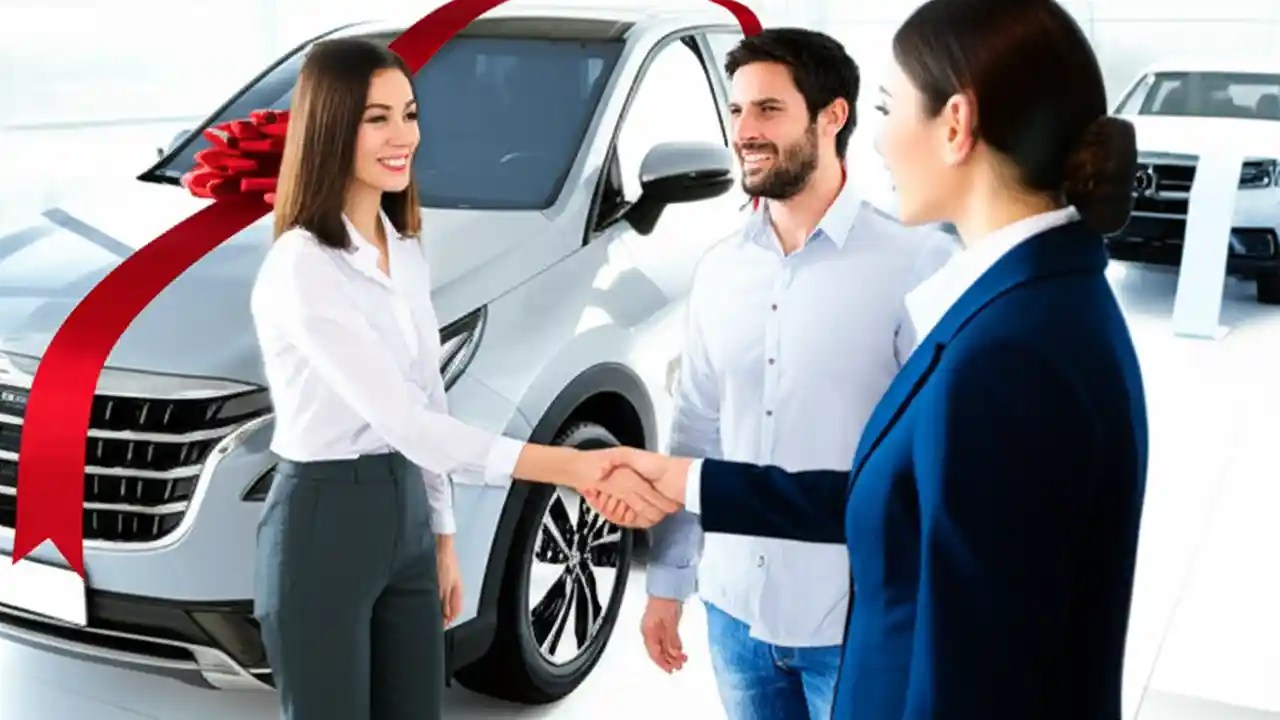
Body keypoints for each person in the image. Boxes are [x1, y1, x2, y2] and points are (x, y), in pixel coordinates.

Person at [587, 1, 1149, 717]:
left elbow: (982, 665)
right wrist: (682, 488)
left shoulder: (1012, 350)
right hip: (742, 601)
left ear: (954, 125)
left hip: (849, 640)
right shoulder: (1028, 305)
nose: (879, 142)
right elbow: (898, 500)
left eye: (888, 109)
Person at [248, 38, 675, 720]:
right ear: (329, 129)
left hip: (406, 517)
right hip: (323, 518)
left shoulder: (405, 249)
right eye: (376, 118)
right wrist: (574, 467)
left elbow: (429, 397)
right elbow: (407, 422)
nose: (403, 137)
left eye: (410, 115)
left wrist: (444, 543)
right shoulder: (304, 266)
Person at [640, 28, 954, 720]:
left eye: (769, 110)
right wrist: (668, 579)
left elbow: (938, 463)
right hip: (733, 610)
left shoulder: (916, 263)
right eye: (736, 111)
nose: (744, 131)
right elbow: (695, 432)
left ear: (832, 116)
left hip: (856, 618)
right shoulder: (719, 270)